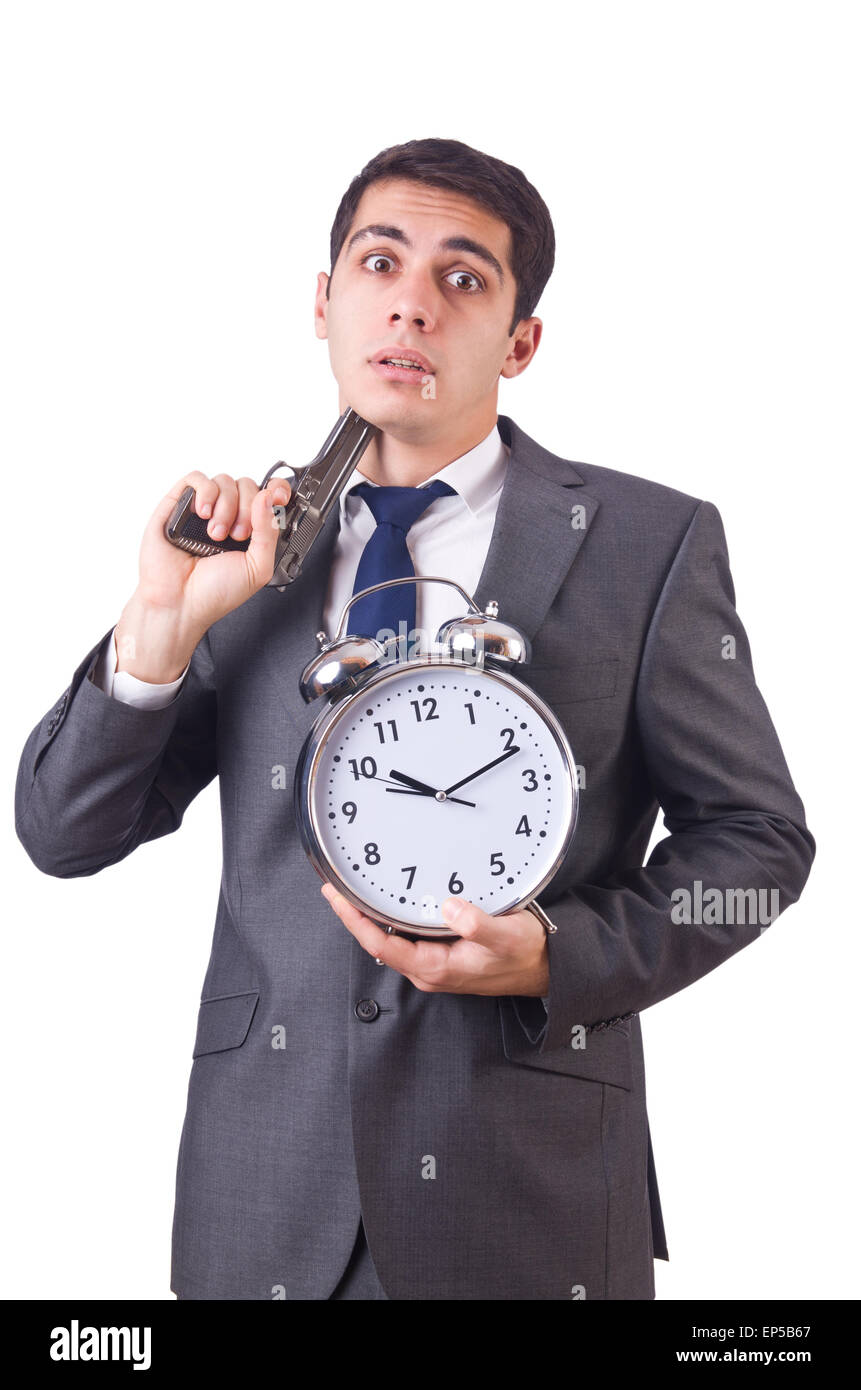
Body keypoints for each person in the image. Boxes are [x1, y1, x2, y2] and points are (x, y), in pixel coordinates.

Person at [15, 137, 815, 1300]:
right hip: (264, 1201)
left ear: (521, 341)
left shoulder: (649, 544)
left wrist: (559, 954)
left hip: (528, 1203)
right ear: (324, 301)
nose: (412, 305)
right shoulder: (242, 552)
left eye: (464, 278)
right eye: (380, 262)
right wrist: (158, 627)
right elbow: (61, 833)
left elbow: (757, 845)